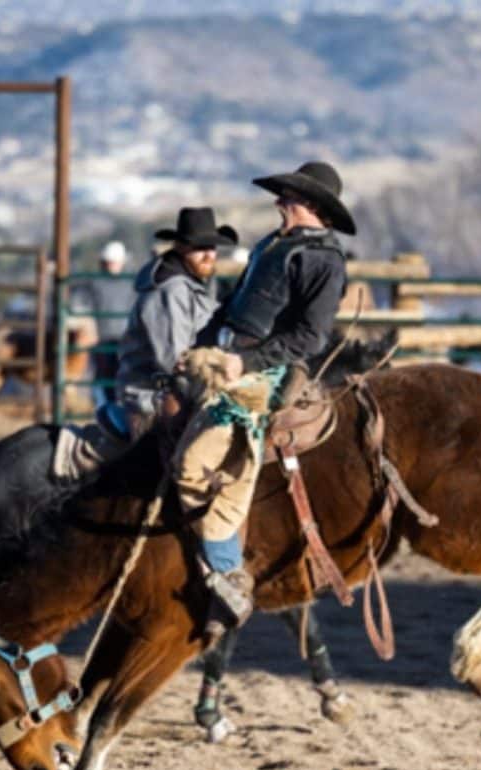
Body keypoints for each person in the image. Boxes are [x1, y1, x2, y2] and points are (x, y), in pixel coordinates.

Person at [174, 161, 356, 642]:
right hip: (227, 354)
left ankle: (229, 574)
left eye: (289, 198)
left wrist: (243, 364)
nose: (280, 203)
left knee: (197, 463)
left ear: (312, 208)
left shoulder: (325, 261)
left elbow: (308, 338)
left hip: (262, 372)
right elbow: (234, 305)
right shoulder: (274, 244)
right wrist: (202, 346)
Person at [51, 208, 238, 482]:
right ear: (181, 247)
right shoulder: (171, 291)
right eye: (200, 248)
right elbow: (174, 360)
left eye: (212, 248)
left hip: (174, 394)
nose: (209, 255)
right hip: (152, 400)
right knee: (194, 476)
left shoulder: (186, 286)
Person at [71, 240, 137, 404]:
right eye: (108, 262)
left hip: (124, 339)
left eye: (113, 262)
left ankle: (113, 409)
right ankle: (105, 409)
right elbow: (79, 302)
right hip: (101, 339)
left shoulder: (130, 283)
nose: (110, 266)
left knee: (119, 376)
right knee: (104, 376)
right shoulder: (94, 282)